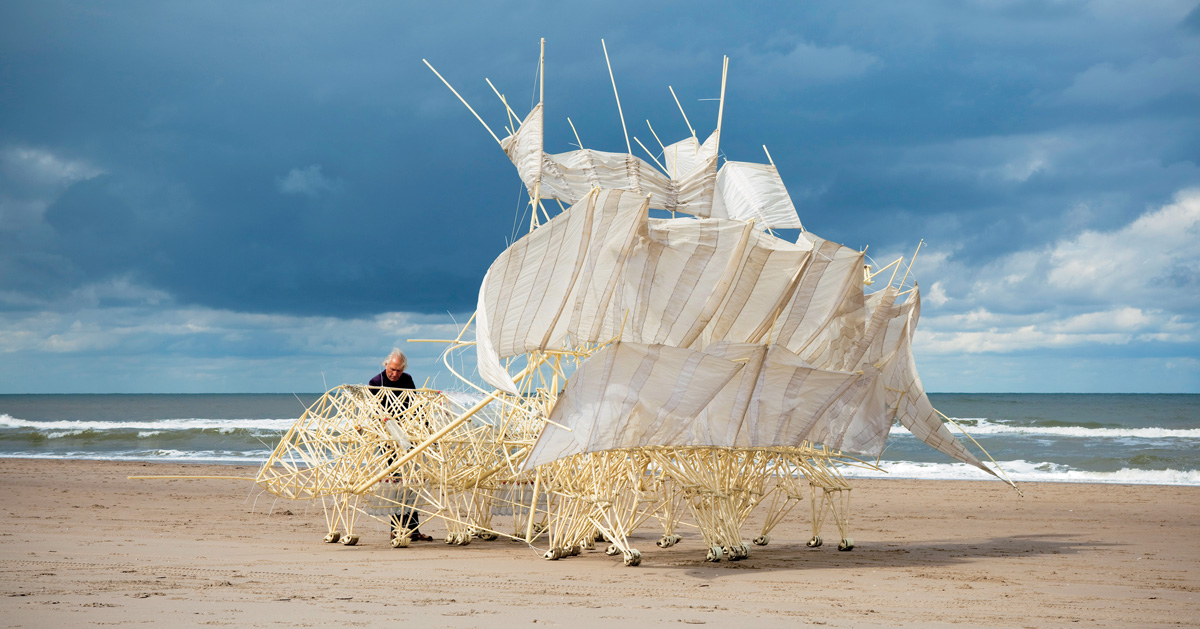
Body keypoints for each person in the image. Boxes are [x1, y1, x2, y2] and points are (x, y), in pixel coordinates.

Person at [369, 348, 433, 542]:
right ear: (386, 365)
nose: (394, 374)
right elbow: (376, 413)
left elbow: (415, 406)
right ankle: (396, 529)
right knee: (397, 483)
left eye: (398, 370)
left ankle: (413, 530)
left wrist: (427, 428)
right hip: (389, 440)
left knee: (412, 482)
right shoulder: (376, 383)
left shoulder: (407, 380)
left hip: (408, 437)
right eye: (392, 369)